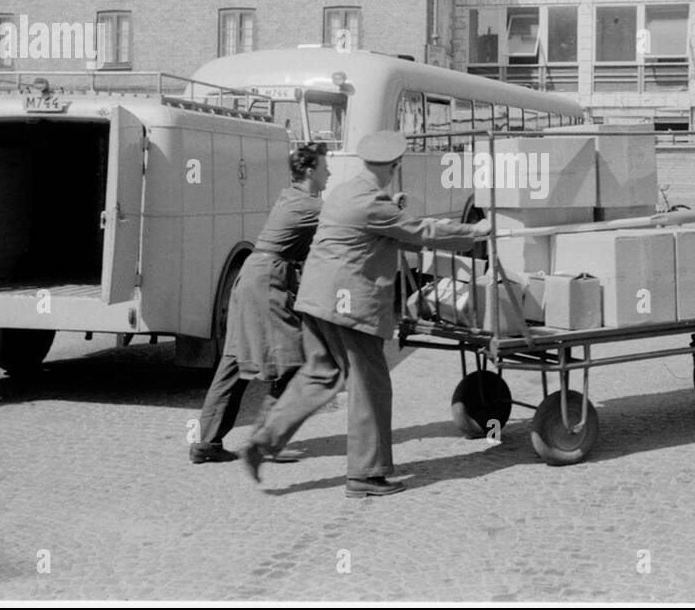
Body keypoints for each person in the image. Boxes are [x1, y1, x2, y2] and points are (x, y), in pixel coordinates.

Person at [243, 131, 489, 497]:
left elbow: (388, 231)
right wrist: (476, 231)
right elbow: (422, 231)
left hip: (316, 299)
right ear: (395, 165)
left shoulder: (345, 192)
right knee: (369, 385)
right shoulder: (375, 205)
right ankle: (365, 474)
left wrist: (395, 208)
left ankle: (264, 440)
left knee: (319, 375)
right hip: (349, 304)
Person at [189, 142, 330, 464]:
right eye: (325, 167)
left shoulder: (291, 197)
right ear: (310, 170)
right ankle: (265, 442)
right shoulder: (308, 205)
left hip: (254, 277)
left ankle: (206, 442)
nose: (330, 172)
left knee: (234, 364)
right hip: (267, 282)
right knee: (296, 360)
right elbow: (349, 215)